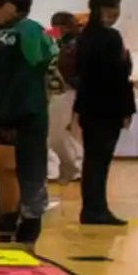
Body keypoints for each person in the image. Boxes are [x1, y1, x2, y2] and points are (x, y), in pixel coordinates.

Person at [0, 0, 55, 246]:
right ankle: (8, 218)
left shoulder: (30, 31)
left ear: (11, 6)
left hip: (27, 115)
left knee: (30, 170)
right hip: (1, 115)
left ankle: (31, 220)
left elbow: (43, 64)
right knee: (3, 169)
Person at [75, 0, 136, 226]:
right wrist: (126, 109)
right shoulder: (111, 38)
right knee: (100, 161)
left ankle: (92, 208)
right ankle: (96, 210)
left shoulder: (84, 37)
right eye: (113, 9)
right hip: (108, 107)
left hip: (89, 107)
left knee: (92, 160)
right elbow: (118, 76)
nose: (116, 14)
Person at [47, 12, 83, 184]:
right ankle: (73, 165)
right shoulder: (62, 42)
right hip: (60, 89)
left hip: (68, 89)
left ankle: (73, 166)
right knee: (57, 132)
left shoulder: (76, 43)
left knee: (55, 133)